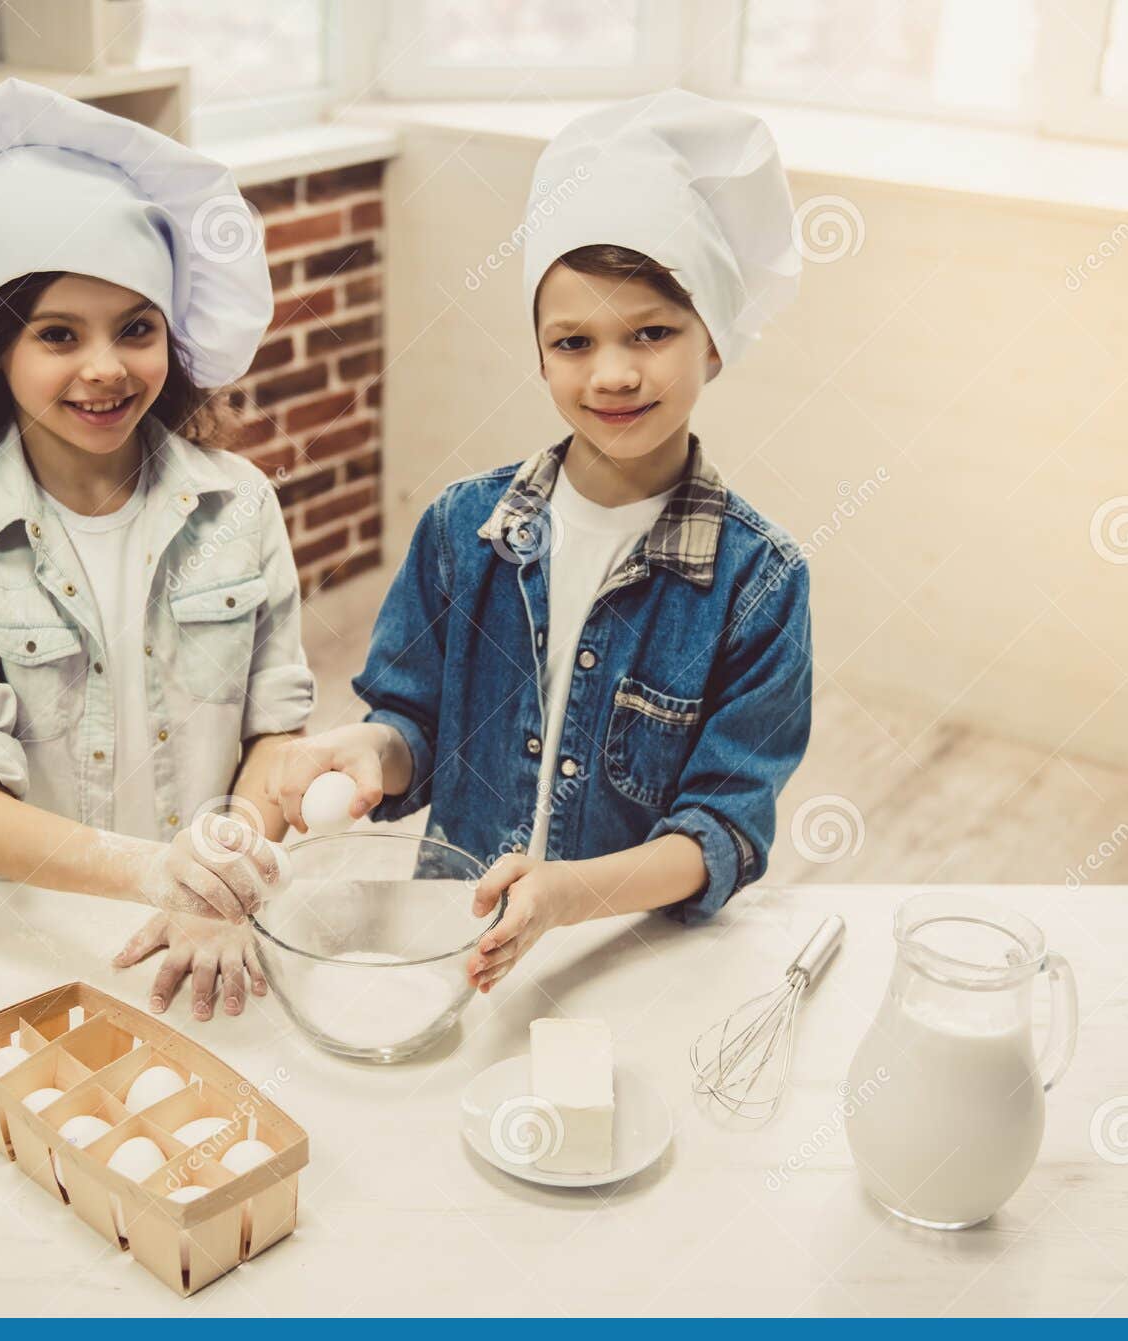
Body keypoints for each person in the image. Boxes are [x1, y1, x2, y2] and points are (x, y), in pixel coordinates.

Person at [265, 91, 812, 993]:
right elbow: (414, 726)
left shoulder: (761, 583)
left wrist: (568, 895)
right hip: (459, 939)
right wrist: (373, 754)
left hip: (624, 960)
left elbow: (725, 829)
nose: (613, 373)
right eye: (573, 341)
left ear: (713, 341)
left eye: (652, 332)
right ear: (540, 351)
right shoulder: (459, 531)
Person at [0, 79, 313, 1018]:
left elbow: (276, 729)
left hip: (210, 929)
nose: (105, 367)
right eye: (59, 334)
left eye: (136, 328)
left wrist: (220, 872)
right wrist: (157, 872)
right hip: (28, 937)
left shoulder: (240, 503)